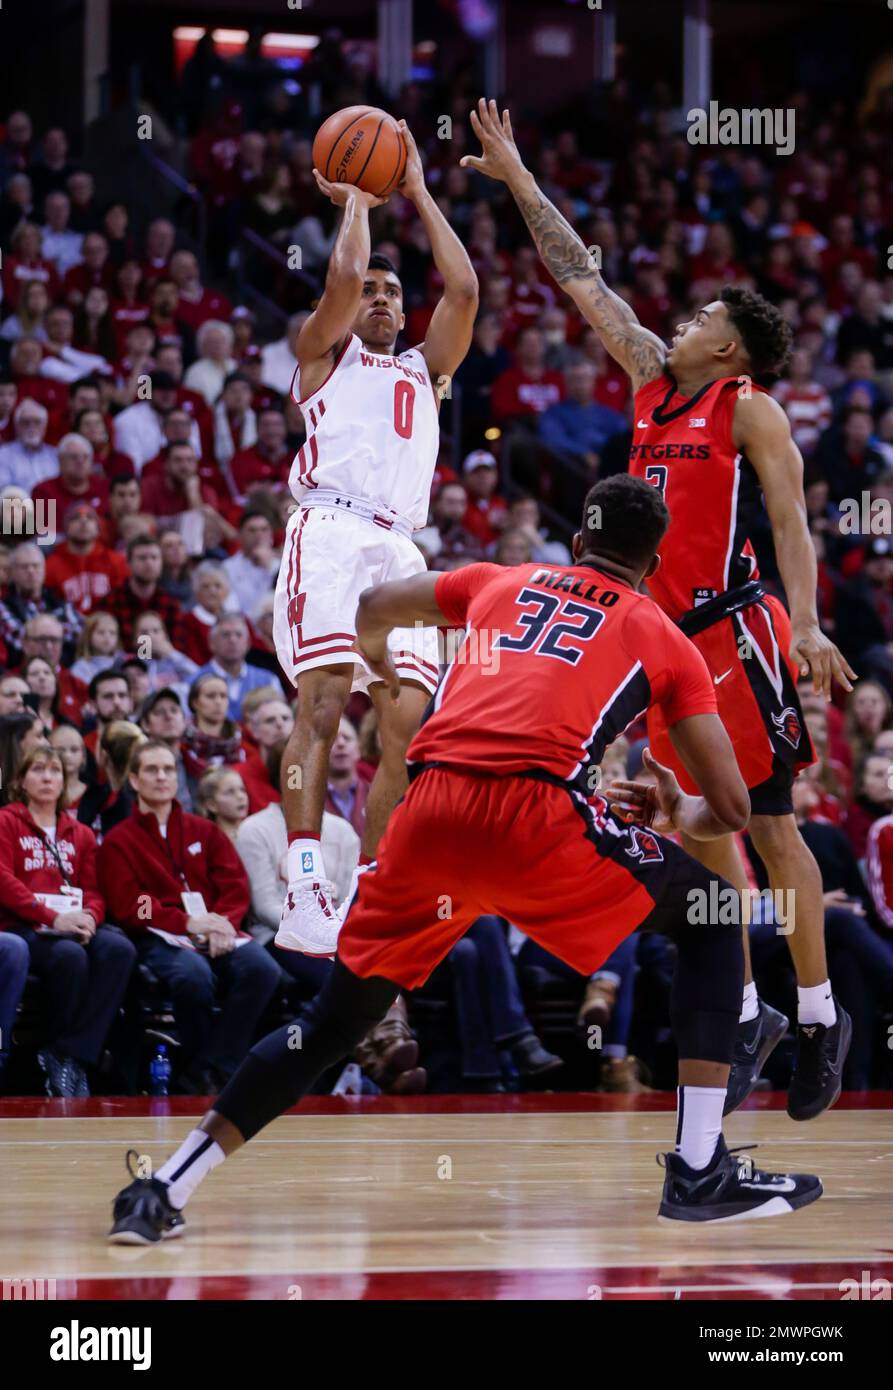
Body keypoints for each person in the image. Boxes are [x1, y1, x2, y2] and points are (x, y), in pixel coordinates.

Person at [108, 474, 826, 1241]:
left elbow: (373, 608)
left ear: (576, 545)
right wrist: (673, 807)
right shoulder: (661, 633)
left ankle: (167, 1187)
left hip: (430, 813)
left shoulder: (498, 581)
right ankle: (698, 1168)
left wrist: (381, 668)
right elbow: (733, 808)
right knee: (713, 919)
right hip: (534, 818)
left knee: (331, 1023)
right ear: (649, 568)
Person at [462, 99, 854, 1121]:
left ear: (730, 354)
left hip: (734, 630)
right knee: (701, 832)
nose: (679, 325)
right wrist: (514, 176)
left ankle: (815, 1014)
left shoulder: (749, 411)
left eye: (701, 323)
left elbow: (792, 524)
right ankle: (754, 1010)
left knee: (771, 832)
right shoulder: (645, 378)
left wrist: (806, 626)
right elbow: (577, 273)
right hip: (657, 641)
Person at [272, 122, 479, 955]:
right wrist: (358, 196)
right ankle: (303, 885)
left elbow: (462, 294)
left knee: (410, 727)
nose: (385, 300)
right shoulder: (322, 356)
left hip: (399, 547)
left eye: (395, 295)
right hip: (327, 528)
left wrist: (420, 190)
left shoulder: (426, 371)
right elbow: (345, 273)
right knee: (320, 707)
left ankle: (367, 883)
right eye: (375, 296)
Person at [98, 739, 280, 1094]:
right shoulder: (120, 840)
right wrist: (184, 922)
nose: (162, 777)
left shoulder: (204, 830)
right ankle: (214, 1071)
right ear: (134, 780)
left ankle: (207, 1070)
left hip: (218, 930)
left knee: (263, 969)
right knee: (192, 977)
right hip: (160, 937)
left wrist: (223, 922)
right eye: (152, 770)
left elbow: (234, 886)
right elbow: (132, 905)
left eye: (168, 769)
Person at [0, 742, 136, 1096]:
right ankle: (61, 1050)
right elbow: (4, 880)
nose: (47, 777)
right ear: (20, 781)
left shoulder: (82, 833)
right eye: (38, 770)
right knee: (69, 956)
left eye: (55, 771)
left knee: (118, 949)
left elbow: (93, 889)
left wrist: (90, 917)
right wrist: (52, 917)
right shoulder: (6, 821)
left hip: (71, 921)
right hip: (23, 924)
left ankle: (70, 1053)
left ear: (65, 781)